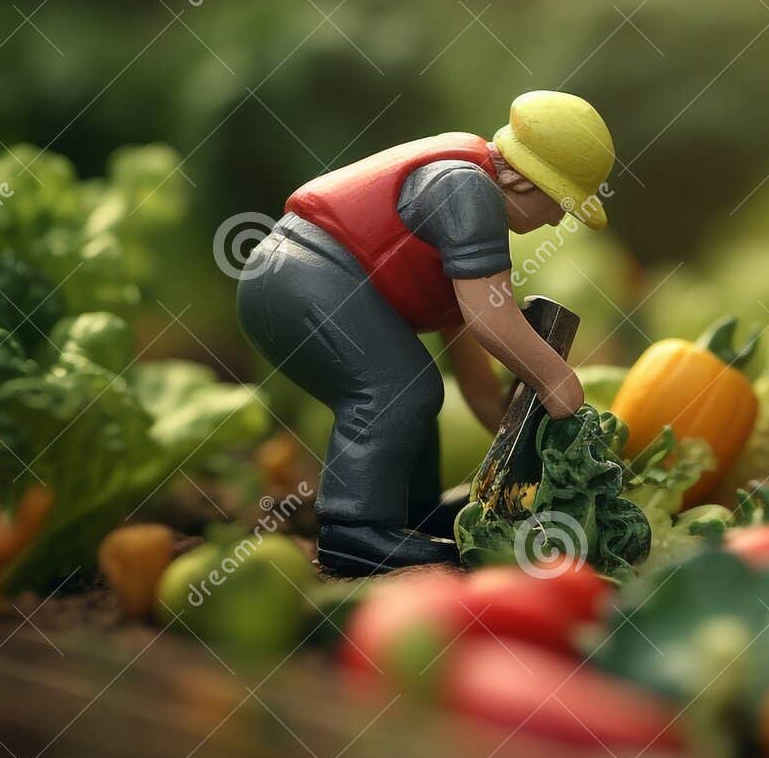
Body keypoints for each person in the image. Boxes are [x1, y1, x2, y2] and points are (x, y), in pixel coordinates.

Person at [237, 91, 612, 575]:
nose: (559, 218)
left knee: (415, 391)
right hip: (298, 279)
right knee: (398, 387)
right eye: (559, 202)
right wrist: (558, 381)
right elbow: (489, 317)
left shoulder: (470, 204)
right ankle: (353, 531)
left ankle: (411, 514)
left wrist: (508, 420)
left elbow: (463, 336)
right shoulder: (466, 191)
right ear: (521, 176)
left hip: (302, 280)